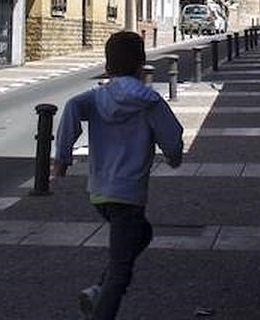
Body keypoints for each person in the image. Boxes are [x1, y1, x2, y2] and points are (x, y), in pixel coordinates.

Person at [53, 31, 184, 319]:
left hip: (99, 192)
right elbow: (172, 137)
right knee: (121, 272)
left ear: (108, 66)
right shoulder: (149, 101)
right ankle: (102, 300)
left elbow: (72, 106)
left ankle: (98, 291)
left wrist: (62, 158)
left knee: (142, 233)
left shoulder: (96, 97)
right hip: (129, 194)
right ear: (141, 64)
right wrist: (174, 157)